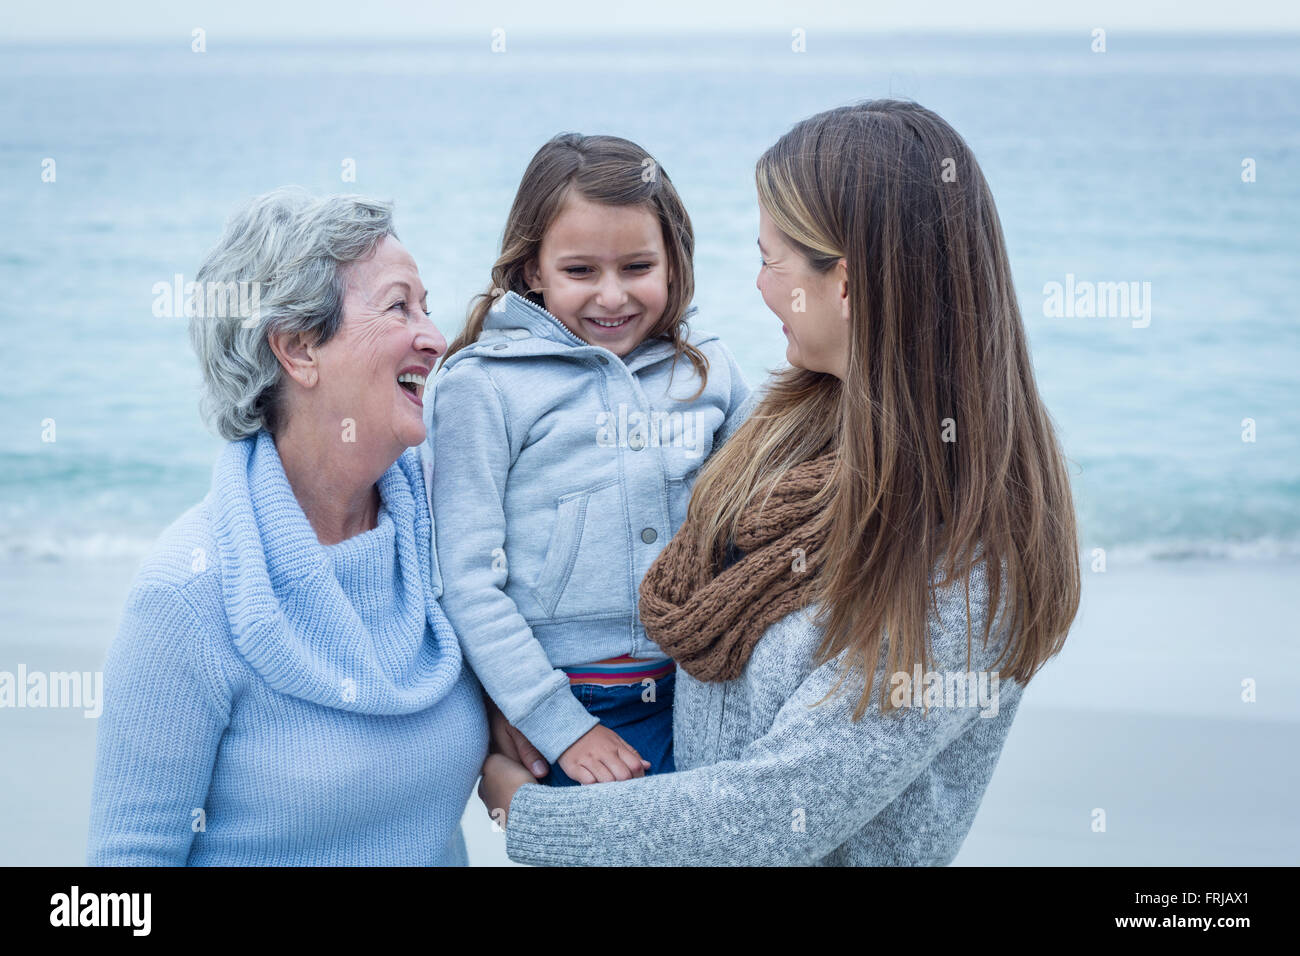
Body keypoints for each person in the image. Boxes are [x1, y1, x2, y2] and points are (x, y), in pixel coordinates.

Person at [478, 100, 1081, 865]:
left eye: (771, 259)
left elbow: (776, 809)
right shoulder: (784, 438)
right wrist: (534, 702)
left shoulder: (965, 566)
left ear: (846, 285)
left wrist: (522, 811)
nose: (759, 287)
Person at [87, 188, 488, 865]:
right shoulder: (185, 598)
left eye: (426, 306)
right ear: (299, 348)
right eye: (399, 307)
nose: (435, 338)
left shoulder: (446, 530)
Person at [427, 133, 752, 787]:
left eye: (637, 267)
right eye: (580, 271)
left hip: (704, 689)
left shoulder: (709, 368)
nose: (612, 296)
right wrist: (558, 723)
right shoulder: (482, 386)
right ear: (533, 270)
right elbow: (465, 581)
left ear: (672, 262)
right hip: (570, 707)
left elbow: (765, 506)